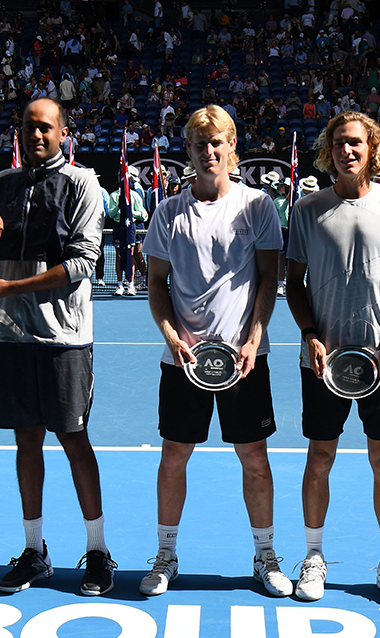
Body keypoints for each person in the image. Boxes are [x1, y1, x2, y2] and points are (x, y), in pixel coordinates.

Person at [139, 105, 292, 598]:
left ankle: (265, 555)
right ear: (188, 150)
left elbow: (269, 277)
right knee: (173, 457)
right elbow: (157, 285)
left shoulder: (257, 206)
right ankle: (165, 555)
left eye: (217, 142)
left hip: (244, 359)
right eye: (200, 143)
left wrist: (254, 338)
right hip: (183, 360)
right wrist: (171, 336)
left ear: (232, 148)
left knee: (255, 459)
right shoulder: (168, 213)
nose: (208, 151)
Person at [285, 111, 380, 606]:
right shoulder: (307, 209)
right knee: (319, 456)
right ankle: (313, 557)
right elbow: (293, 284)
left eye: (355, 143)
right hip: (322, 362)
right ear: (328, 151)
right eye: (338, 143)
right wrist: (309, 334)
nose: (347, 151)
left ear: (372, 149)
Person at [0, 98, 113, 596]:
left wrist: (9, 287)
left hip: (64, 335)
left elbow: (83, 263)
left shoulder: (82, 183)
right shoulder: (2, 184)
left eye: (46, 127)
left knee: (74, 440)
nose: (37, 135)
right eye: (29, 127)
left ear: (63, 133)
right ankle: (35, 551)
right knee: (25, 442)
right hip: (11, 333)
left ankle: (98, 551)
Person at [107, 167, 149, 296]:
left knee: (131, 255)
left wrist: (130, 212)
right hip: (118, 227)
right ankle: (120, 285)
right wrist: (119, 208)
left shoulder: (135, 195)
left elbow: (143, 215)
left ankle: (131, 285)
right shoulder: (114, 196)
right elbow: (111, 214)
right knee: (119, 256)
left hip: (130, 226)